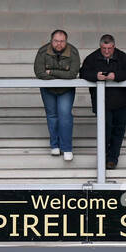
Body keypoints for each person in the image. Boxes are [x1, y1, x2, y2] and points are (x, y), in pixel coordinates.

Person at [78, 34, 126, 169]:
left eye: (109, 48)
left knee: (119, 131)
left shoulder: (123, 57)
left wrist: (116, 76)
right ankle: (103, 158)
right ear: (100, 47)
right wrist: (95, 76)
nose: (107, 51)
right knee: (105, 131)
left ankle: (112, 159)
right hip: (101, 102)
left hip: (121, 102)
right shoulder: (91, 58)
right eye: (104, 48)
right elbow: (83, 73)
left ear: (114, 46)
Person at [34, 29, 80, 161]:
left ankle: (67, 148)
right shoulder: (43, 51)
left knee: (65, 116)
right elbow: (39, 72)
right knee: (52, 116)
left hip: (66, 90)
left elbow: (72, 74)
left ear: (66, 41)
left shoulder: (73, 51)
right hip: (48, 90)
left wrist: (51, 72)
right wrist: (59, 75)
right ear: (51, 40)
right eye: (56, 41)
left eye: (62, 41)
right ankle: (54, 145)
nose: (58, 44)